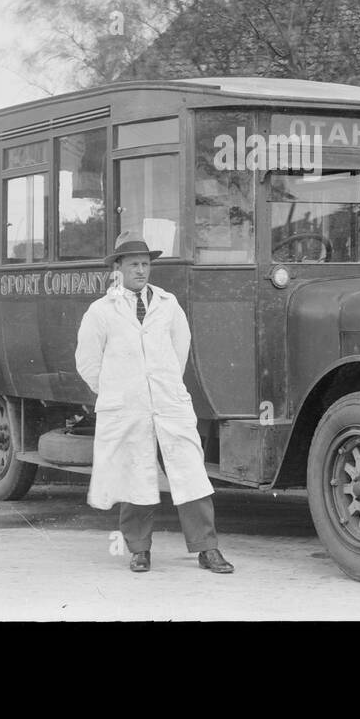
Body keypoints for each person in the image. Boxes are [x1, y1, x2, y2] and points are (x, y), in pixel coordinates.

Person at [74, 233, 234, 574]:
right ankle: (139, 550)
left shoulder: (167, 303)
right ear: (117, 268)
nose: (141, 271)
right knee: (136, 475)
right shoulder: (101, 311)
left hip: (168, 402)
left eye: (146, 264)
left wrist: (162, 383)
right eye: (133, 264)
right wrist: (117, 391)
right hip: (127, 406)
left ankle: (207, 549)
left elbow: (181, 347)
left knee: (190, 474)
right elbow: (88, 363)